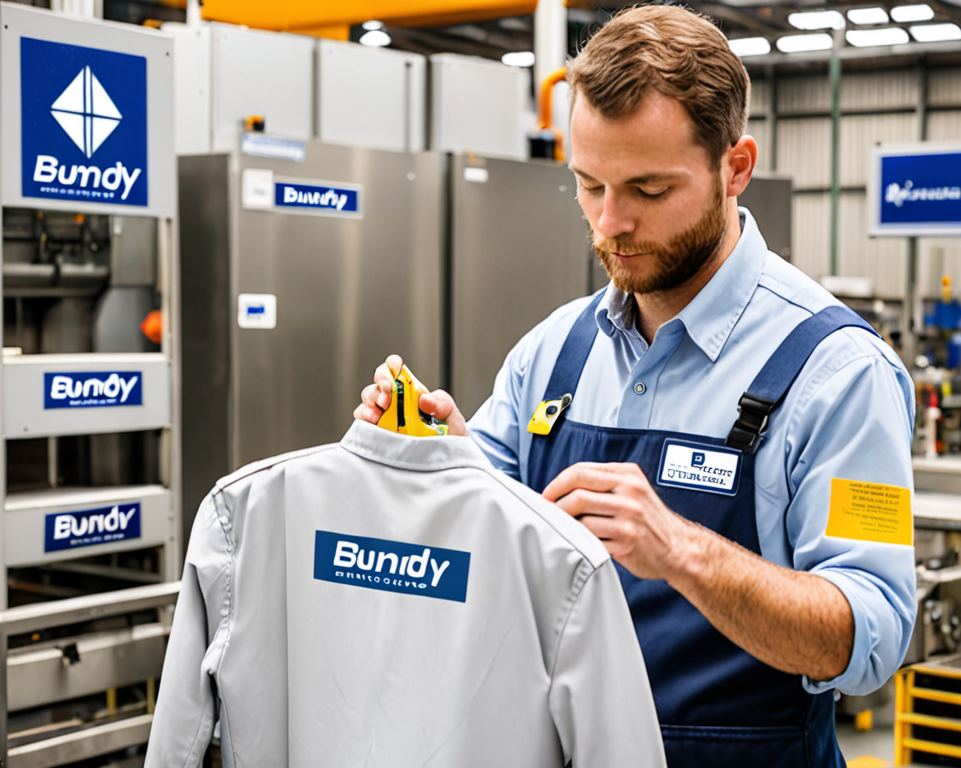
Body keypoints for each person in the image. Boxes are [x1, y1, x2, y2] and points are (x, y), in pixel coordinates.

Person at [356, 6, 916, 767]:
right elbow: (485, 552)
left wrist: (683, 550)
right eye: (589, 185)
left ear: (735, 168)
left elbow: (871, 638)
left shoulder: (840, 373)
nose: (610, 222)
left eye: (649, 190)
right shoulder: (553, 353)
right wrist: (443, 462)